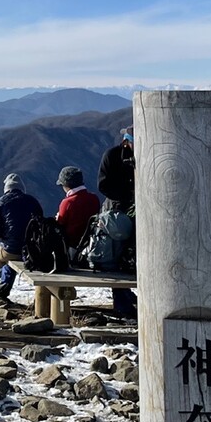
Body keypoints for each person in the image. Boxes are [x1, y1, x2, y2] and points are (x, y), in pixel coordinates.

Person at [0, 173, 43, 304]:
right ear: (22, 188)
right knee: (10, 265)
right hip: (31, 250)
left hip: (10, 247)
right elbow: (40, 225)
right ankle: (2, 293)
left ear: (6, 188)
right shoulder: (33, 201)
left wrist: (7, 236)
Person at [97, 125, 137, 318]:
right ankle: (122, 303)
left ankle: (126, 296)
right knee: (116, 255)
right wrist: (125, 196)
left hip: (137, 209)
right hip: (115, 212)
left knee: (131, 255)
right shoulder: (113, 155)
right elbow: (103, 185)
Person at [54, 166, 101, 251]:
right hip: (92, 244)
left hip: (72, 246)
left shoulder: (67, 202)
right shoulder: (94, 198)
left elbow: (60, 224)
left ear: (65, 185)